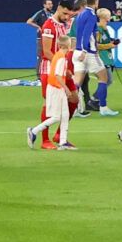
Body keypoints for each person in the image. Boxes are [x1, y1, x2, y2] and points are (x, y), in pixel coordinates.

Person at [27, 20, 74, 153]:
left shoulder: (59, 56)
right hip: (55, 89)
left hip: (57, 88)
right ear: (67, 45)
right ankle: (34, 131)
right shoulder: (61, 58)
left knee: (64, 115)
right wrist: (66, 89)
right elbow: (58, 76)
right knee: (56, 117)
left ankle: (63, 141)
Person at [67, 0, 102, 116]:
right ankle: (75, 107)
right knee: (79, 82)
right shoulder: (81, 17)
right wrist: (83, 51)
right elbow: (77, 38)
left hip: (75, 52)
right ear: (83, 6)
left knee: (83, 81)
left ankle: (84, 104)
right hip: (77, 52)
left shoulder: (76, 18)